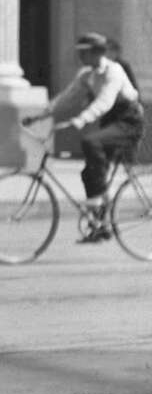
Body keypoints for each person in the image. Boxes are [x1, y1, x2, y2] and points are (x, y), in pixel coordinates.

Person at [22, 31, 144, 241]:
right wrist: (39, 116)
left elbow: (104, 102)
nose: (81, 58)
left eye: (85, 53)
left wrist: (79, 121)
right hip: (110, 121)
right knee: (89, 173)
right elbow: (66, 99)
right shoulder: (87, 74)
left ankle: (99, 200)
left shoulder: (114, 72)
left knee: (90, 141)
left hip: (128, 121)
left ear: (98, 53)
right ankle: (100, 226)